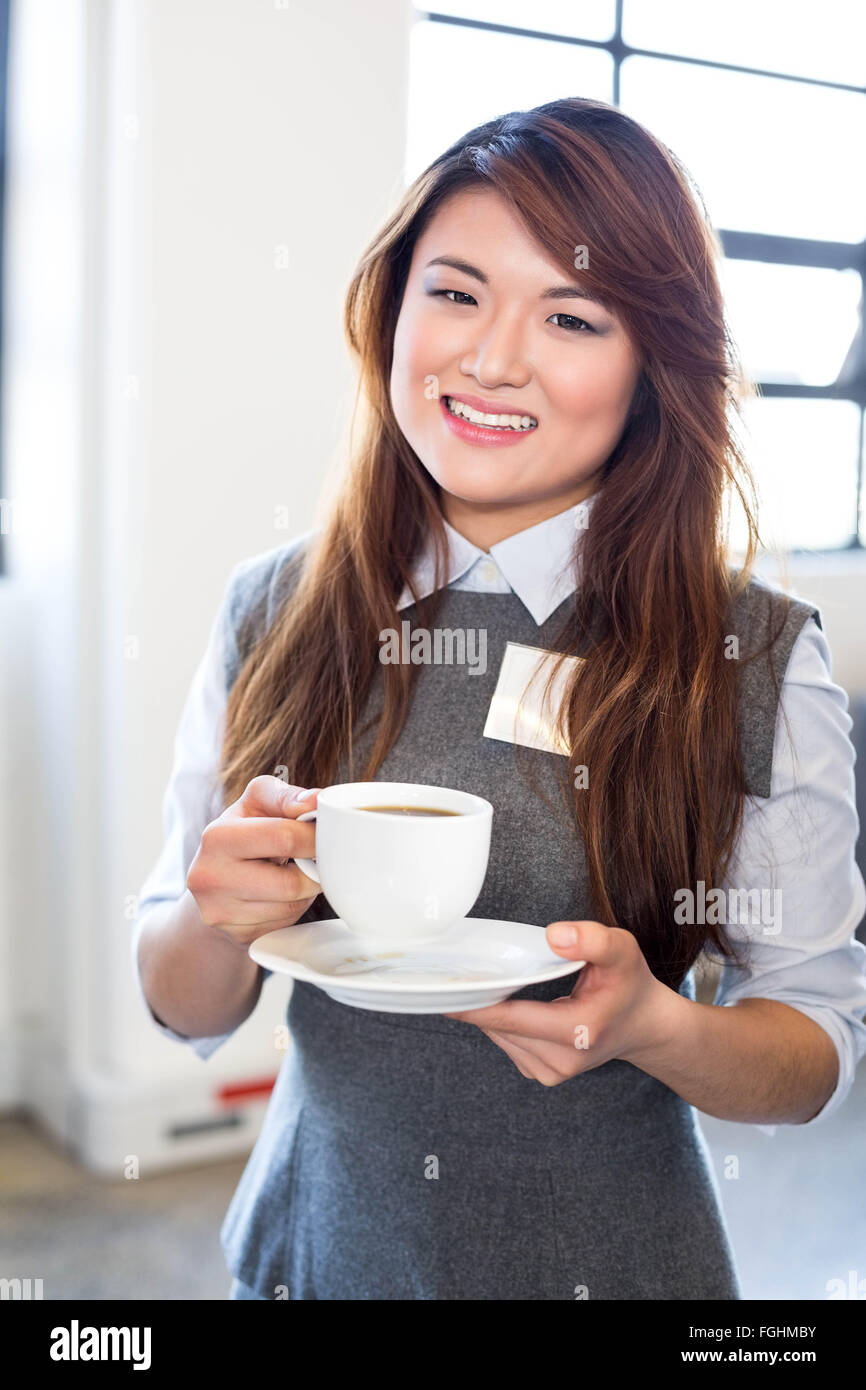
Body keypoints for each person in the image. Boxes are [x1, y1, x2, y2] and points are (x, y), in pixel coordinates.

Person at [133, 97, 866, 1301]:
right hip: (307, 1259)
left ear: (652, 367)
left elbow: (813, 1047)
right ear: (390, 307)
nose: (487, 359)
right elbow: (181, 1004)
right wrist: (217, 917)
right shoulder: (273, 608)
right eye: (456, 292)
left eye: (571, 316)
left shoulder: (747, 657)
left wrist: (655, 1028)